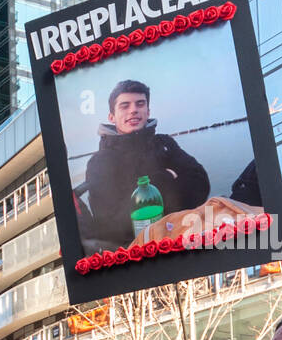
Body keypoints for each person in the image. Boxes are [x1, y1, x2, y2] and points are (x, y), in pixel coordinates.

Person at [82, 79, 210, 247]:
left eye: (140, 104)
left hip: (184, 235)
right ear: (111, 117)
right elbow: (112, 227)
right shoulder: (100, 162)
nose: (133, 110)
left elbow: (201, 183)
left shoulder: (164, 144)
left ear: (148, 111)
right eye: (125, 106)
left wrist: (141, 200)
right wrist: (165, 179)